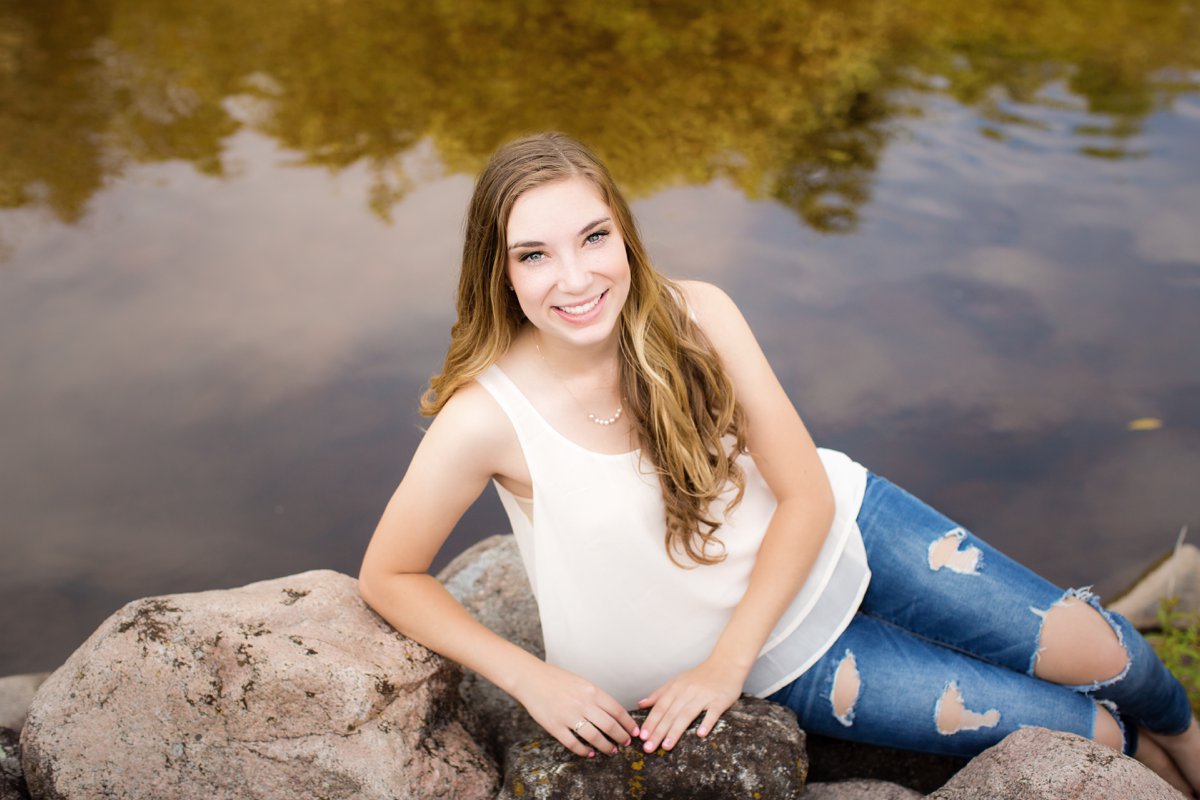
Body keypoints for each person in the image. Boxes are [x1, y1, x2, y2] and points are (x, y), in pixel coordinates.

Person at [357, 132, 1199, 794]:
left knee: (1124, 662)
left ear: (624, 232)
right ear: (497, 271)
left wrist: (725, 665)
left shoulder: (698, 316)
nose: (575, 278)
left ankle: (1188, 736)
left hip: (844, 529)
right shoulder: (485, 418)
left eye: (593, 237)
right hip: (787, 657)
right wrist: (530, 677)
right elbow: (390, 573)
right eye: (533, 254)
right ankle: (1156, 770)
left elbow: (803, 496)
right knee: (1088, 733)